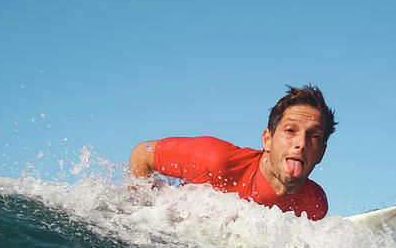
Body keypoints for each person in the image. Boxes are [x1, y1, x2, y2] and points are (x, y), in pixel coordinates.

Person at [129, 84, 336, 220]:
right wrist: (145, 214)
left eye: (314, 137)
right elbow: (142, 155)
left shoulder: (314, 204)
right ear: (267, 140)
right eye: (290, 131)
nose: (301, 143)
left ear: (321, 154)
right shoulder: (218, 162)